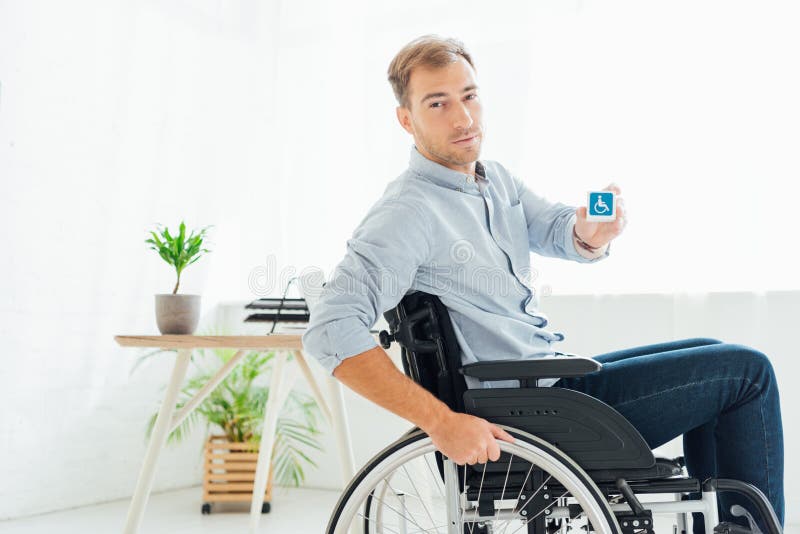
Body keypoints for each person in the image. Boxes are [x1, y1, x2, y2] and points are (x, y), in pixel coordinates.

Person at [301, 35, 783, 532]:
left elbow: (555, 227)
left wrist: (589, 233)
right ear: (407, 119)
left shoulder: (492, 179)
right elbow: (331, 328)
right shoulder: (408, 212)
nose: (463, 118)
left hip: (547, 384)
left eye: (469, 96)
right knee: (748, 374)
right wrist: (441, 423)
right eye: (438, 103)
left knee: (711, 350)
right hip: (529, 414)